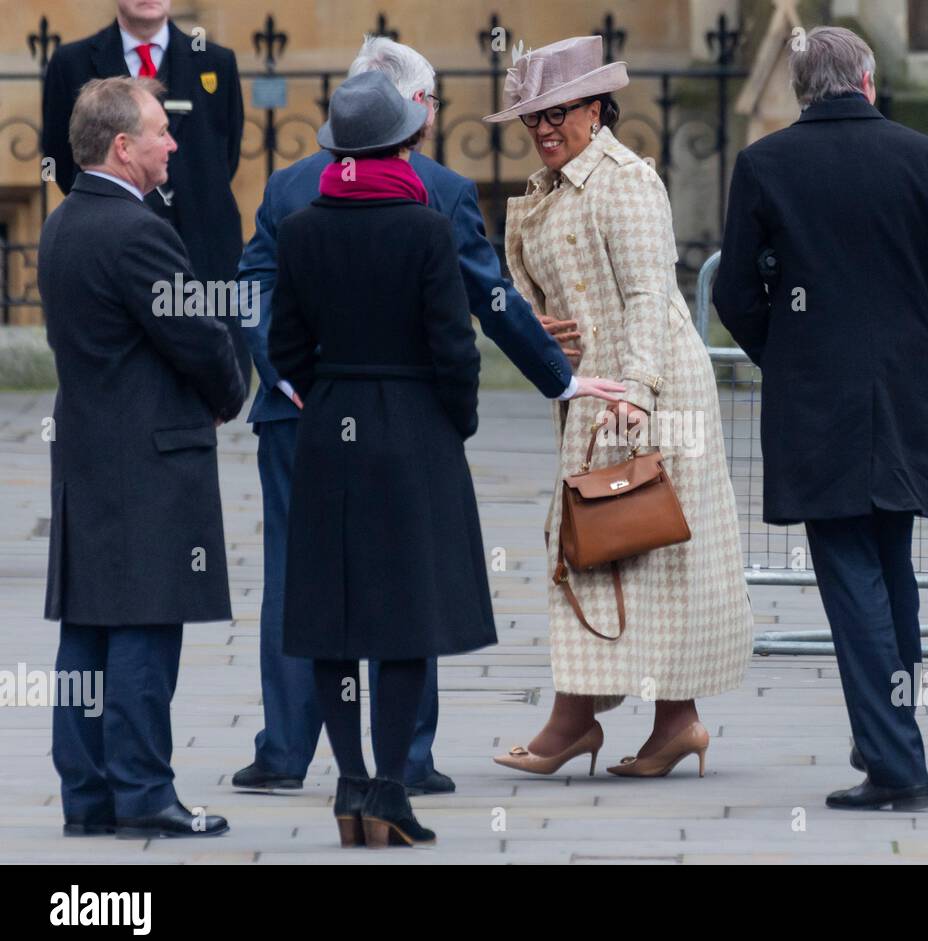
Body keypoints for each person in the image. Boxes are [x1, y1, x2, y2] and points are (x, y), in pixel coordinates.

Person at [232, 36, 623, 796]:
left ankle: (284, 752)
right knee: (403, 580)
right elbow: (488, 300)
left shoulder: (288, 186)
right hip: (401, 423)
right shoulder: (437, 190)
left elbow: (255, 291)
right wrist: (559, 378)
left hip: (300, 418)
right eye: (433, 102)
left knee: (300, 579)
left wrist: (287, 381)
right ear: (411, 110)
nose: (437, 116)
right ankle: (406, 759)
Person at [713, 27, 928, 810]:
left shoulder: (765, 164)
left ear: (801, 88)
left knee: (851, 573)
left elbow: (733, 295)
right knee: (892, 567)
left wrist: (787, 352)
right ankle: (886, 734)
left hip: (815, 401)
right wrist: (900, 338)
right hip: (902, 394)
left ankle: (896, 764)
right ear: (866, 80)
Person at [484, 36, 753, 778]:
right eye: (531, 117)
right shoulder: (548, 188)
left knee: (623, 543)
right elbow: (537, 296)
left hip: (652, 386)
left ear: (599, 107)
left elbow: (646, 296)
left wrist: (635, 392)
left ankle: (576, 721)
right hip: (594, 390)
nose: (542, 128)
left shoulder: (626, 180)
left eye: (558, 112)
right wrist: (535, 327)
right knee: (617, 544)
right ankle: (676, 723)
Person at [269, 71, 480, 846]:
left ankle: (351, 782)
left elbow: (285, 347)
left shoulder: (301, 230)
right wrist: (455, 420)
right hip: (412, 430)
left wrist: (324, 395)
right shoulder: (424, 227)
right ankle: (391, 787)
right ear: (409, 141)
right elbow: (454, 347)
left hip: (330, 429)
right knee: (404, 619)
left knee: (333, 612)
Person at [40, 76, 245, 838]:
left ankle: (89, 798)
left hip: (89, 453)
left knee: (87, 631)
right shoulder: (137, 230)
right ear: (123, 146)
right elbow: (197, 335)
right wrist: (229, 393)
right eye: (161, 130)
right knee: (144, 630)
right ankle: (145, 793)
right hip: (150, 460)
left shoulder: (63, 223)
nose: (173, 142)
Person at [41, 1, 246, 302]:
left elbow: (227, 154)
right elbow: (60, 155)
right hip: (108, 249)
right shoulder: (71, 62)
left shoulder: (217, 62)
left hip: (204, 251)